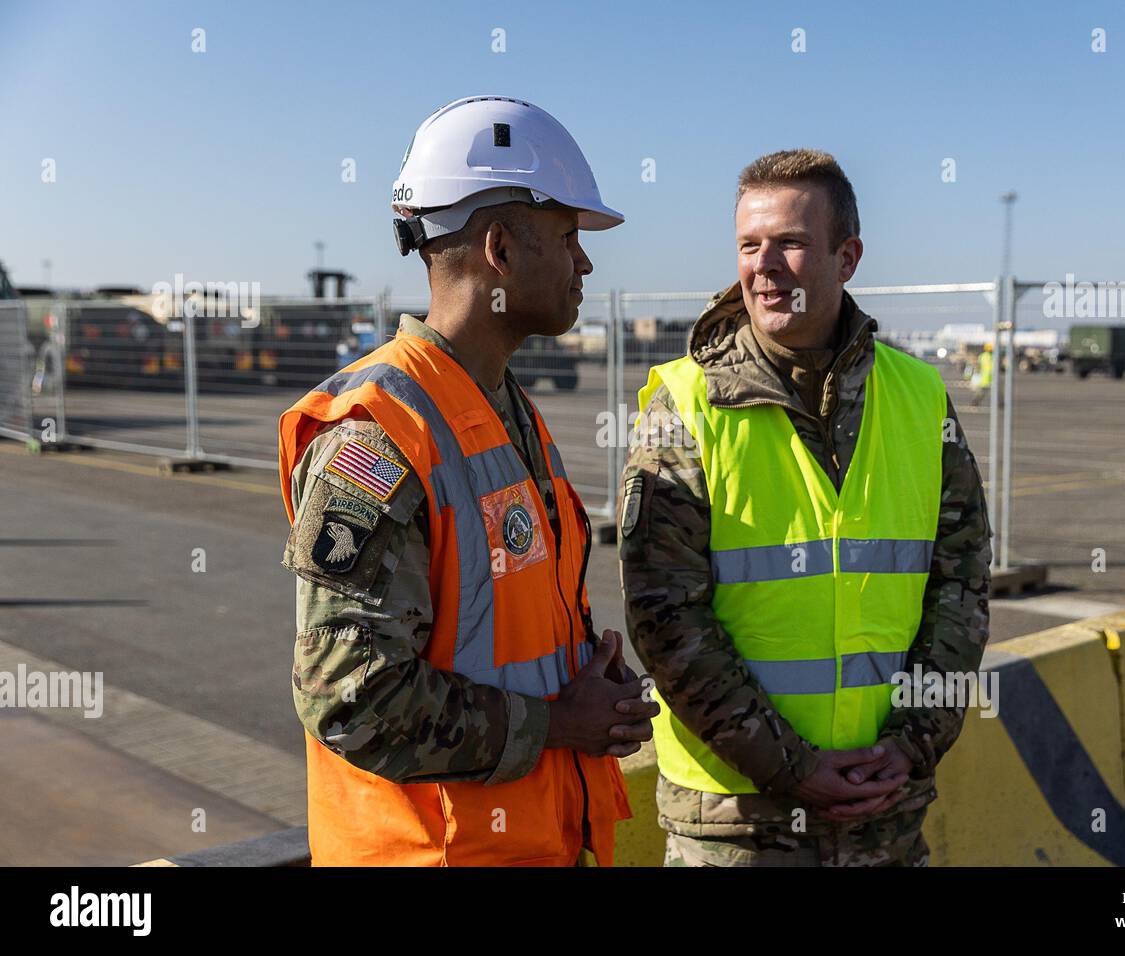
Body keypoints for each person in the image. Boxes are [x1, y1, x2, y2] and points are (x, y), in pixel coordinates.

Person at [277, 95, 658, 866]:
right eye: (567, 237)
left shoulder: (508, 412)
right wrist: (558, 723)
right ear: (501, 250)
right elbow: (348, 694)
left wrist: (583, 676)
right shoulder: (379, 433)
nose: (584, 262)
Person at [619, 149, 992, 867]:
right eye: (749, 246)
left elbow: (962, 586)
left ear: (846, 257)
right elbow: (665, 617)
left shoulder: (918, 396)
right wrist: (791, 766)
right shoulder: (684, 405)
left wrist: (910, 744)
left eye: (789, 243)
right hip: (737, 824)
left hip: (884, 810)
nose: (764, 266)